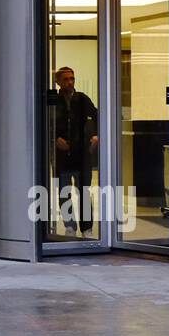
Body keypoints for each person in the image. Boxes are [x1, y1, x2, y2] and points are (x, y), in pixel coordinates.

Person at [51, 66, 99, 236]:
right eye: (65, 79)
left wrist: (95, 136)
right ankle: (70, 226)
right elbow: (44, 122)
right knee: (64, 192)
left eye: (72, 78)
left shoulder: (82, 99)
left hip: (81, 154)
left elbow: (97, 116)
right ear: (58, 82)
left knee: (84, 191)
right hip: (61, 155)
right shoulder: (53, 100)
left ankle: (87, 228)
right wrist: (54, 139)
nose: (70, 82)